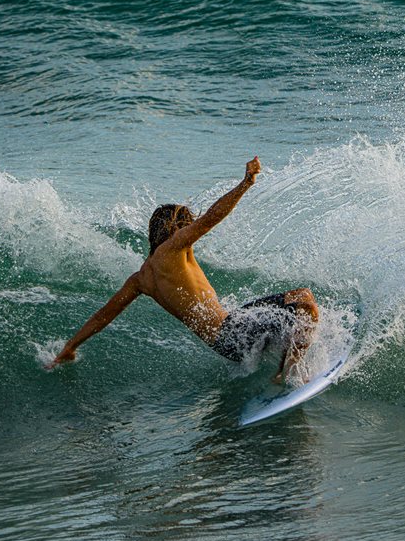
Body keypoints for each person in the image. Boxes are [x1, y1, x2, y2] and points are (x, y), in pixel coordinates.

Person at [47, 157, 320, 383]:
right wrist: (246, 183)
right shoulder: (173, 247)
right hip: (232, 332)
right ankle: (289, 372)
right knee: (305, 301)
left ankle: (282, 369)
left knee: (289, 309)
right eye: (185, 224)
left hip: (225, 341)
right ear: (172, 228)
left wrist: (70, 347)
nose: (189, 230)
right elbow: (211, 218)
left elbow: (102, 316)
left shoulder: (141, 278)